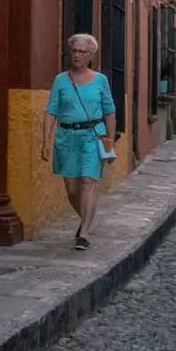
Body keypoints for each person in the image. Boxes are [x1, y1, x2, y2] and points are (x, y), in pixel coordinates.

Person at [40, 33, 116, 250]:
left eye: (82, 52)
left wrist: (109, 138)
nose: (77, 55)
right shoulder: (60, 80)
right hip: (66, 137)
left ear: (91, 55)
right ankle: (86, 218)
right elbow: (51, 110)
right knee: (72, 188)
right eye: (74, 50)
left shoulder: (101, 80)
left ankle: (83, 232)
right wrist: (45, 140)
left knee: (87, 181)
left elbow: (109, 111)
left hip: (92, 135)